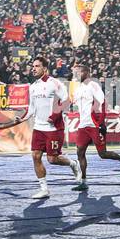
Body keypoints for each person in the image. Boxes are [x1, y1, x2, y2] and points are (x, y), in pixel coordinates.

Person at [71, 61, 120, 191]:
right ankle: (84, 182)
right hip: (83, 126)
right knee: (80, 153)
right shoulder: (78, 88)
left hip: (94, 125)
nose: (76, 74)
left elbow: (102, 103)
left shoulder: (93, 85)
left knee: (102, 154)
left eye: (79, 72)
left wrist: (99, 122)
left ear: (86, 73)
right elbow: (75, 102)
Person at [28, 55, 78, 199]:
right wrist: (21, 118)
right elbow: (31, 109)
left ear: (44, 68)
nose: (33, 68)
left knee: (52, 159)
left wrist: (55, 116)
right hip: (38, 127)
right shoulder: (33, 87)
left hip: (53, 128)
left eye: (37, 66)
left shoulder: (54, 83)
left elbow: (67, 101)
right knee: (35, 156)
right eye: (33, 66)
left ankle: (72, 163)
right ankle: (44, 189)